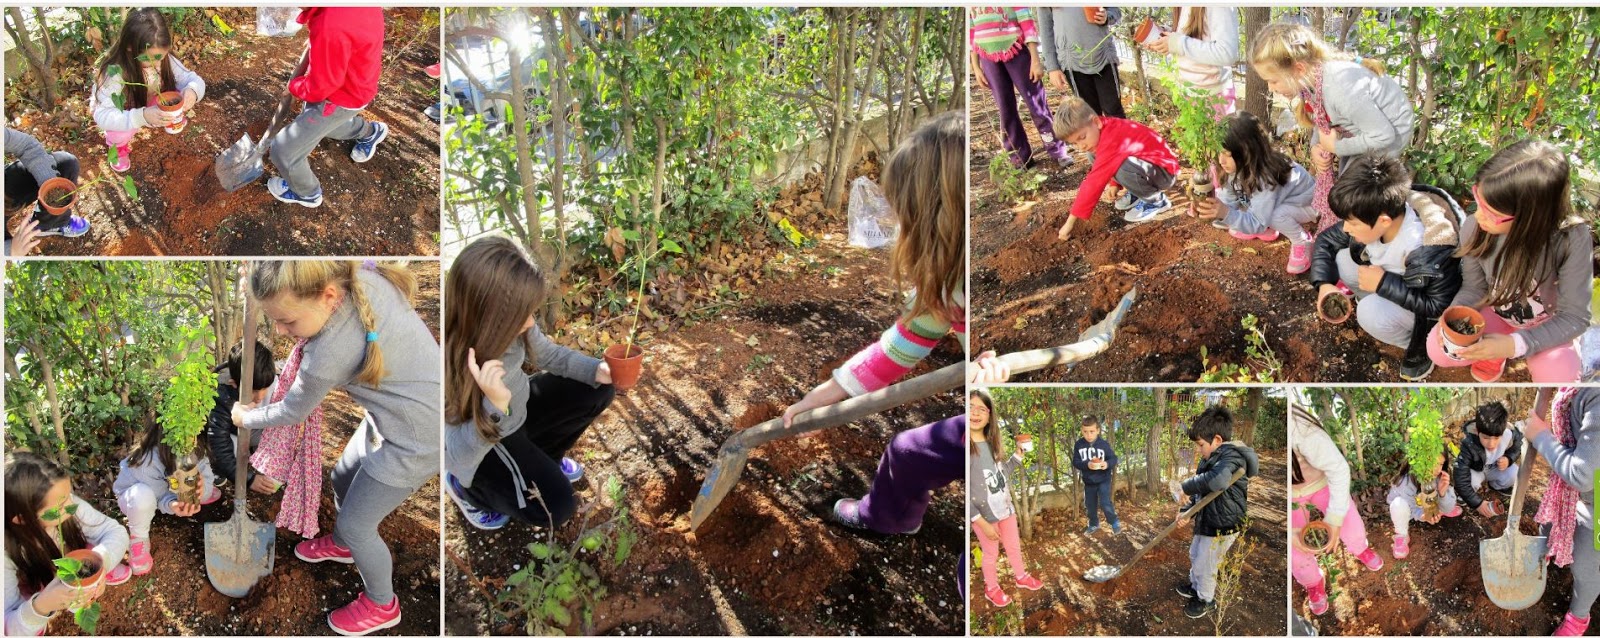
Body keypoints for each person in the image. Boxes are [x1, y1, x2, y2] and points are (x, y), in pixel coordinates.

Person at [231, 261, 438, 636]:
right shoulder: (354, 275)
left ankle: (381, 603)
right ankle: (344, 545)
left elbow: (293, 410)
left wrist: (245, 418)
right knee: (343, 475)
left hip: (418, 439)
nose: (279, 330)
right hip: (395, 413)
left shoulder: (328, 355)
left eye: (288, 322)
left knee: (358, 524)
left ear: (327, 298)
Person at [443, 237, 615, 531]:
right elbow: (457, 456)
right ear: (491, 316)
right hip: (486, 442)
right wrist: (495, 405)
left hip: (518, 413)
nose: (529, 320)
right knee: (558, 506)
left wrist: (597, 369)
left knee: (598, 388)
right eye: (522, 313)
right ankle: (469, 493)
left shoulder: (514, 323)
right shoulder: (450, 364)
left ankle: (546, 459)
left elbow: (547, 354)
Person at [1426, 138, 1593, 383]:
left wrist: (1513, 345)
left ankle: (1512, 349)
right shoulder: (1475, 227)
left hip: (1547, 323)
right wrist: (1455, 316)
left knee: (1558, 373)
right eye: (1477, 198)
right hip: (1496, 311)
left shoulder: (1571, 239)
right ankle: (1492, 355)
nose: (1477, 215)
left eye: (1492, 212)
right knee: (1438, 349)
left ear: (1531, 218)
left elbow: (1575, 317)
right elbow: (1475, 287)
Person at [1307, 154, 1464, 380]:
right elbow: (1326, 241)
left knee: (1369, 313)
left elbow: (1438, 306)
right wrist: (1323, 285)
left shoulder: (1424, 247)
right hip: (1393, 280)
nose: (1347, 229)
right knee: (1342, 259)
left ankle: (1421, 343)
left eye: (1352, 224)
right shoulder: (1373, 211)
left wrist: (1383, 284)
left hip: (1422, 309)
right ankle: (1372, 298)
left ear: (1383, 221)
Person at [1289, 401, 1382, 616]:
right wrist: (1290, 532)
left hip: (1322, 483)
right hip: (1289, 498)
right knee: (1296, 552)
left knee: (1351, 523)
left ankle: (1360, 549)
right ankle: (1313, 582)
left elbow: (1338, 469)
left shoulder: (1300, 429)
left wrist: (1334, 519)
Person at [1053, 96, 1181, 237]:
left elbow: (1094, 182)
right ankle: (1138, 191)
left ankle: (1156, 201)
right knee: (1093, 155)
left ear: (1096, 122)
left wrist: (1070, 223)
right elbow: (1115, 158)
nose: (1081, 146)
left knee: (1122, 166)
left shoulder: (1111, 140)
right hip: (1149, 168)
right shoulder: (1103, 129)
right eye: (1074, 143)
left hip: (1165, 173)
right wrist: (1114, 183)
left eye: (1082, 137)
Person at [1175, 406, 1259, 619]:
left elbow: (1217, 482)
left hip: (1224, 525)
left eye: (1201, 444)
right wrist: (1186, 512)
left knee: (1207, 563)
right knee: (1195, 554)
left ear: (1218, 440)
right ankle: (1196, 587)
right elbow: (1201, 493)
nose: (1198, 449)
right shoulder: (1210, 458)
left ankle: (1206, 599)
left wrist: (1185, 485)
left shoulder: (1231, 458)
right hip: (1208, 519)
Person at [970, 7, 1072, 168]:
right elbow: (972, 31)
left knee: (1036, 105)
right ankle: (1019, 158)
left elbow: (1026, 22)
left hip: (1016, 50)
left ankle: (1057, 150)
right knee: (1005, 109)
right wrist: (976, 67)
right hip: (988, 57)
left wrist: (1035, 60)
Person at [968, 390, 1042, 607]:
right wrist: (980, 522)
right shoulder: (966, 449)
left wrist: (1018, 455)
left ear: (989, 415)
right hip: (984, 516)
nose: (975, 412)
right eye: (970, 406)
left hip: (1005, 509)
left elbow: (1000, 476)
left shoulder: (991, 444)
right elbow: (965, 494)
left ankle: (1021, 577)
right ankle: (992, 588)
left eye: (982, 408)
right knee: (990, 554)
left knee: (1013, 546)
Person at [1070, 415, 1120, 534]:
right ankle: (1093, 524)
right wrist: (1087, 465)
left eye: (1092, 431)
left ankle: (1114, 522)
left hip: (1103, 479)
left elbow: (1114, 458)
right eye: (1085, 432)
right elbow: (1075, 462)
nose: (1089, 435)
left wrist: (1106, 464)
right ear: (1082, 431)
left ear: (1098, 430)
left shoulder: (1103, 445)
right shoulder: (1079, 445)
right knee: (1090, 505)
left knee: (1104, 502)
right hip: (1089, 482)